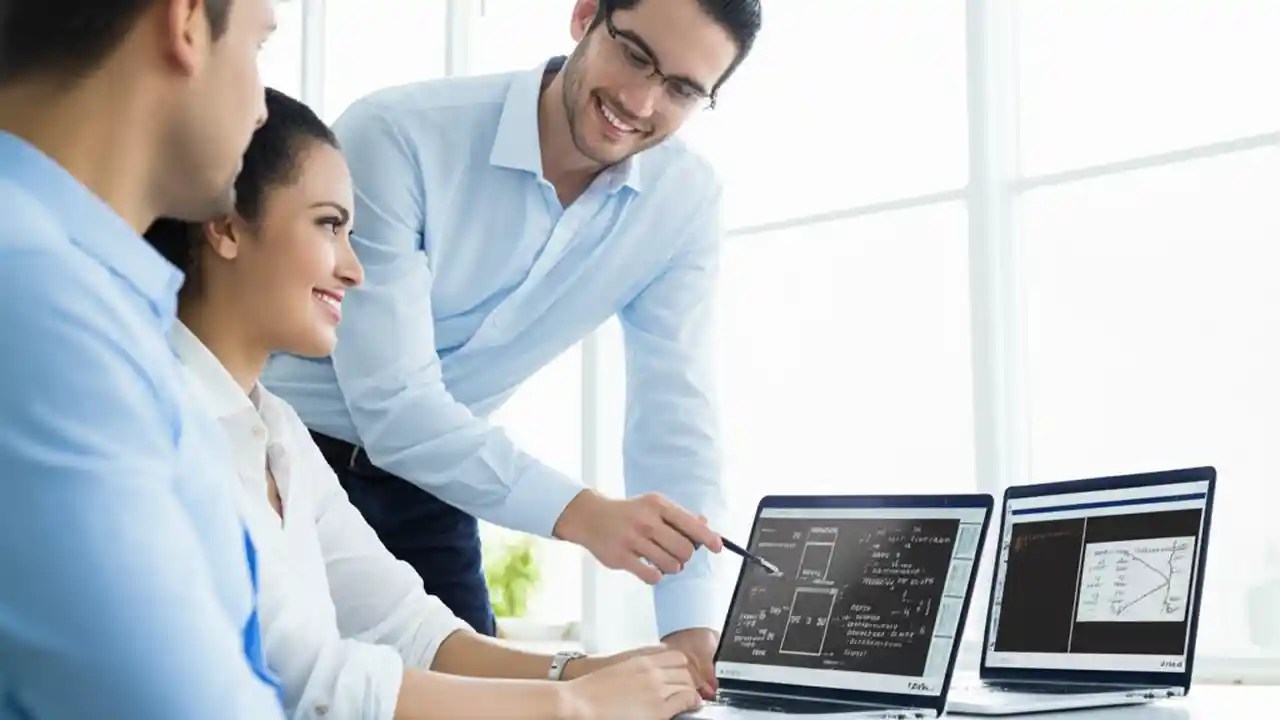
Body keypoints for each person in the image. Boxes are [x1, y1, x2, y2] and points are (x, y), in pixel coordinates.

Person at [145, 86, 703, 720]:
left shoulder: (276, 430)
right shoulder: (159, 427)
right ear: (225, 225)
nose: (355, 270)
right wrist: (575, 705)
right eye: (330, 224)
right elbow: (307, 680)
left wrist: (589, 670)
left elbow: (411, 630)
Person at [263, 0, 761, 696]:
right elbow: (395, 403)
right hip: (287, 462)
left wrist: (689, 632)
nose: (640, 100)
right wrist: (586, 515)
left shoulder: (684, 202)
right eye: (636, 55)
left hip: (437, 486)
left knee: (485, 700)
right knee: (294, 690)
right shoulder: (399, 135)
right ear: (586, 16)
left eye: (681, 89)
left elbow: (676, 409)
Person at [0, 1, 287, 718]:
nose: (260, 109)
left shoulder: (75, 288)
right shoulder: (40, 299)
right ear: (186, 22)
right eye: (258, 46)